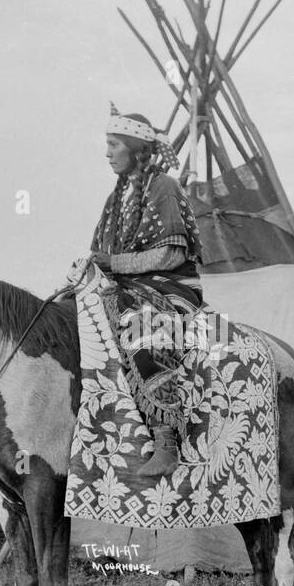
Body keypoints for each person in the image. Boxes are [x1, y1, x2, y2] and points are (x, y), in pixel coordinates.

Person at [85, 104, 205, 475]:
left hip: (171, 288)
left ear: (135, 150)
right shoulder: (116, 198)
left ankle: (166, 439)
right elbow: (102, 253)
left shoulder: (164, 188)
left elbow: (172, 254)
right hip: (128, 285)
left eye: (113, 145)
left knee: (145, 328)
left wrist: (115, 264)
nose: (107, 153)